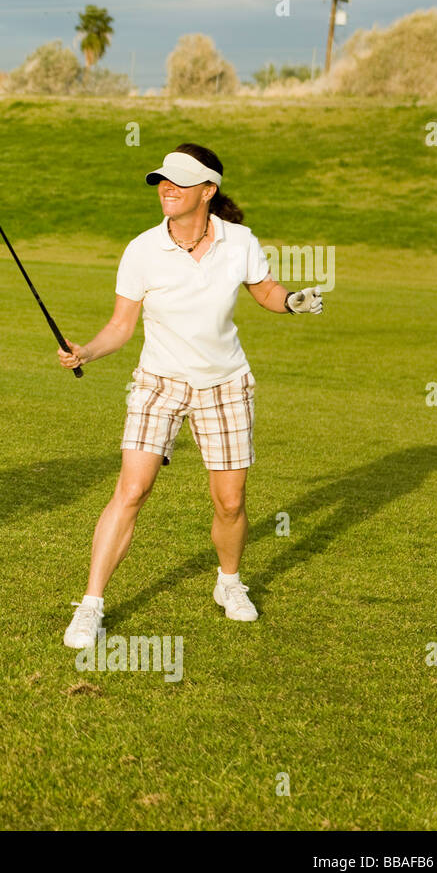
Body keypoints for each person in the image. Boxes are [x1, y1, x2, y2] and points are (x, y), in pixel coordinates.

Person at [58, 143, 325, 649]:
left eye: (179, 181)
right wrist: (86, 351)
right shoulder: (141, 249)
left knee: (229, 501)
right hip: (158, 382)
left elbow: (263, 290)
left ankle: (229, 583)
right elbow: (120, 326)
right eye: (162, 179)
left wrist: (291, 301)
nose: (166, 187)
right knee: (131, 491)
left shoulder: (239, 240)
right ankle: (91, 605)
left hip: (225, 383)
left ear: (208, 190)